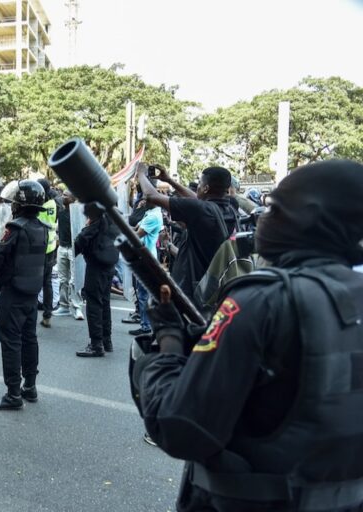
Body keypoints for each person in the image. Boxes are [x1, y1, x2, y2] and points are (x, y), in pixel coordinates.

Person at [134, 160, 363, 512]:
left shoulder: (261, 301)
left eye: (273, 209)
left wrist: (167, 340)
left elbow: (180, 426)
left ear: (309, 218)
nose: (259, 218)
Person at [0, 180, 48, 410]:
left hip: (13, 293)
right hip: (32, 293)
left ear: (20, 205)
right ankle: (30, 387)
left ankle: (13, 393)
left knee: (11, 342)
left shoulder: (15, 228)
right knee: (29, 339)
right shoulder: (42, 228)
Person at [136, 163, 238, 298]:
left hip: (191, 289)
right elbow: (196, 198)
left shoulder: (201, 210)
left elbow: (151, 196)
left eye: (200, 184)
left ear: (206, 188)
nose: (198, 188)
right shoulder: (229, 209)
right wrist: (169, 181)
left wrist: (141, 174)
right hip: (212, 286)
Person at [74, 203, 119, 357]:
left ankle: (96, 345)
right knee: (104, 303)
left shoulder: (98, 219)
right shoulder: (114, 216)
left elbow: (81, 240)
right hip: (109, 265)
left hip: (96, 266)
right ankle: (107, 341)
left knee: (94, 304)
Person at [128, 198, 163, 337]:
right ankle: (145, 323)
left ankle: (146, 326)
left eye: (145, 199)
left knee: (143, 295)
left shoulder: (153, 216)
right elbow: (134, 227)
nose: (142, 202)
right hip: (144, 257)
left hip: (146, 258)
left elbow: (136, 235)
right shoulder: (150, 213)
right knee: (143, 294)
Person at [52, 190, 84, 321]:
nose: (62, 197)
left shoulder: (78, 212)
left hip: (73, 248)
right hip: (62, 247)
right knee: (62, 279)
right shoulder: (60, 212)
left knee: (74, 280)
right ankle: (64, 306)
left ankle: (77, 307)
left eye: (66, 195)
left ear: (73, 198)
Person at [37, 179, 58, 327]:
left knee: (35, 281)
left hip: (39, 247)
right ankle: (47, 315)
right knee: (47, 282)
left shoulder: (41, 207)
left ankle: (31, 313)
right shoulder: (53, 204)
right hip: (50, 247)